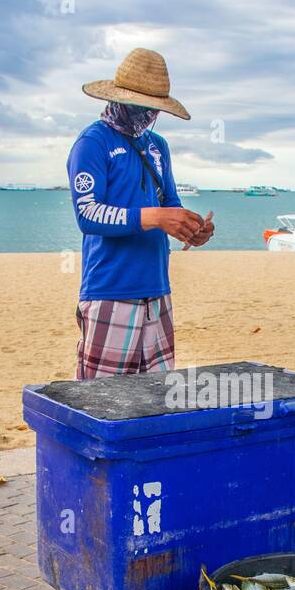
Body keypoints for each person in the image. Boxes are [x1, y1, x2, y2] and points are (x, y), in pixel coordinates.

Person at [66, 48, 214, 379]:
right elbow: (87, 215)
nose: (148, 114)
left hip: (157, 292)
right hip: (110, 293)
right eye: (142, 105)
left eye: (154, 108)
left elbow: (170, 204)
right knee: (103, 404)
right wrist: (155, 218)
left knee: (157, 402)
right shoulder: (93, 142)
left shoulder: (157, 145)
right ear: (119, 98)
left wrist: (191, 229)